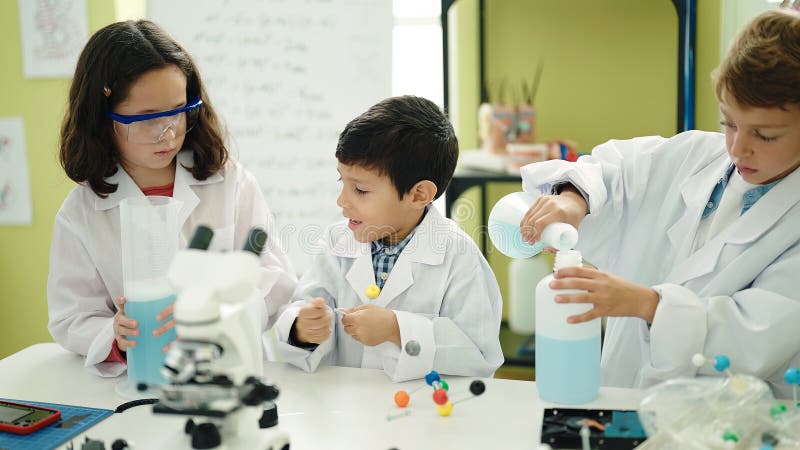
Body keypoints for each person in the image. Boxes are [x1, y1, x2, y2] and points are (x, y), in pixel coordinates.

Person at [518, 9, 800, 398]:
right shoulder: (695, 155)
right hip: (622, 392)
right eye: (728, 124)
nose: (737, 148)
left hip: (725, 421)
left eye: (765, 135)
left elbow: (761, 336)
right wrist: (573, 199)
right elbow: (616, 170)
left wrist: (649, 305)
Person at [47, 20, 297, 377]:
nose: (167, 133)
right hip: (143, 378)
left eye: (178, 111)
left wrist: (217, 311)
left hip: (228, 369)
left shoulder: (229, 182)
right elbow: (71, 315)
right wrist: (114, 335)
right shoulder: (82, 212)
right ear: (102, 120)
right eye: (147, 120)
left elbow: (275, 276)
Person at [273, 96, 504, 381]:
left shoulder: (458, 257)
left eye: (360, 190)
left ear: (418, 194)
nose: (342, 201)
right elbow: (305, 305)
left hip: (423, 413)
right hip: (347, 410)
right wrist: (302, 328)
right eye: (341, 182)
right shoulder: (337, 242)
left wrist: (397, 329)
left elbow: (479, 354)